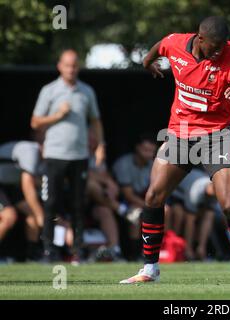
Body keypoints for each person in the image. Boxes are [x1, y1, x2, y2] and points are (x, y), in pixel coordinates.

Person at [120, 16, 230, 284]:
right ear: (200, 39)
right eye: (214, 46)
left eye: (223, 45)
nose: (220, 50)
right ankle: (150, 269)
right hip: (180, 133)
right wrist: (146, 61)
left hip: (219, 135)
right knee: (153, 197)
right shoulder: (177, 43)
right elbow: (162, 44)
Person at [31, 49, 105, 264]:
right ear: (59, 66)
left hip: (79, 155)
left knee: (78, 205)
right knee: (51, 203)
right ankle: (49, 251)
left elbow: (95, 121)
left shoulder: (86, 91)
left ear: (78, 67)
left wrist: (100, 146)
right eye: (67, 65)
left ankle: (78, 251)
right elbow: (35, 122)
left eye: (74, 65)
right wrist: (57, 115)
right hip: (55, 155)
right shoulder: (50, 91)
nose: (71, 69)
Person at [112, 134, 157, 261]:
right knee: (136, 216)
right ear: (137, 148)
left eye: (151, 151)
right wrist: (149, 206)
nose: (149, 154)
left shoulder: (153, 165)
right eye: (145, 150)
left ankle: (165, 248)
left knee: (167, 211)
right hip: (121, 202)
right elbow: (128, 195)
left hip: (142, 200)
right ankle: (135, 254)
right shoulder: (124, 163)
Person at [0, 141, 44, 261]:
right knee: (8, 216)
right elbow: (27, 184)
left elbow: (35, 181)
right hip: (3, 185)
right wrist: (40, 215)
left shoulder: (43, 160)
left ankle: (32, 255)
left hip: (10, 186)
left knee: (32, 213)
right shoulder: (31, 150)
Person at [86, 129, 123, 261]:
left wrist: (110, 185)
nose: (91, 143)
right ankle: (119, 208)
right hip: (71, 201)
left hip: (93, 203)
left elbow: (112, 186)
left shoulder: (97, 160)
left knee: (105, 211)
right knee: (91, 184)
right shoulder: (74, 155)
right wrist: (105, 181)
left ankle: (114, 249)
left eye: (94, 140)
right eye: (88, 139)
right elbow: (84, 175)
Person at [171, 168, 216, 261]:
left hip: (194, 191)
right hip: (176, 193)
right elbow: (190, 221)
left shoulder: (216, 191)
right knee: (186, 217)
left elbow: (208, 213)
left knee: (209, 215)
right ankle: (184, 249)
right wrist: (189, 249)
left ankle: (201, 248)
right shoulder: (196, 192)